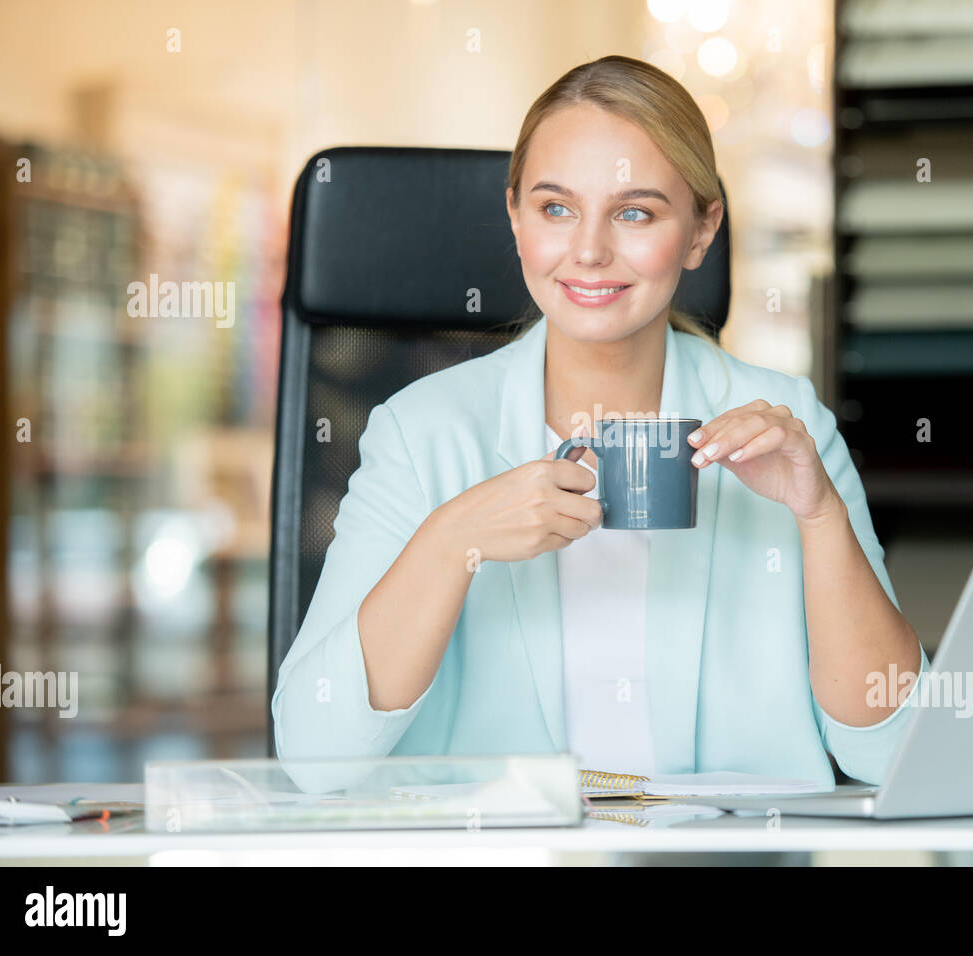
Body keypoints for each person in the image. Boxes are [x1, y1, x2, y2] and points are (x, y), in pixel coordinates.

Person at [272, 55, 928, 796]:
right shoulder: (423, 433)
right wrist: (452, 541)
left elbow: (897, 752)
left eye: (635, 212)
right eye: (555, 208)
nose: (588, 251)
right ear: (515, 216)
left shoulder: (786, 424)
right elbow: (313, 754)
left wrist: (818, 517)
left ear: (700, 231)